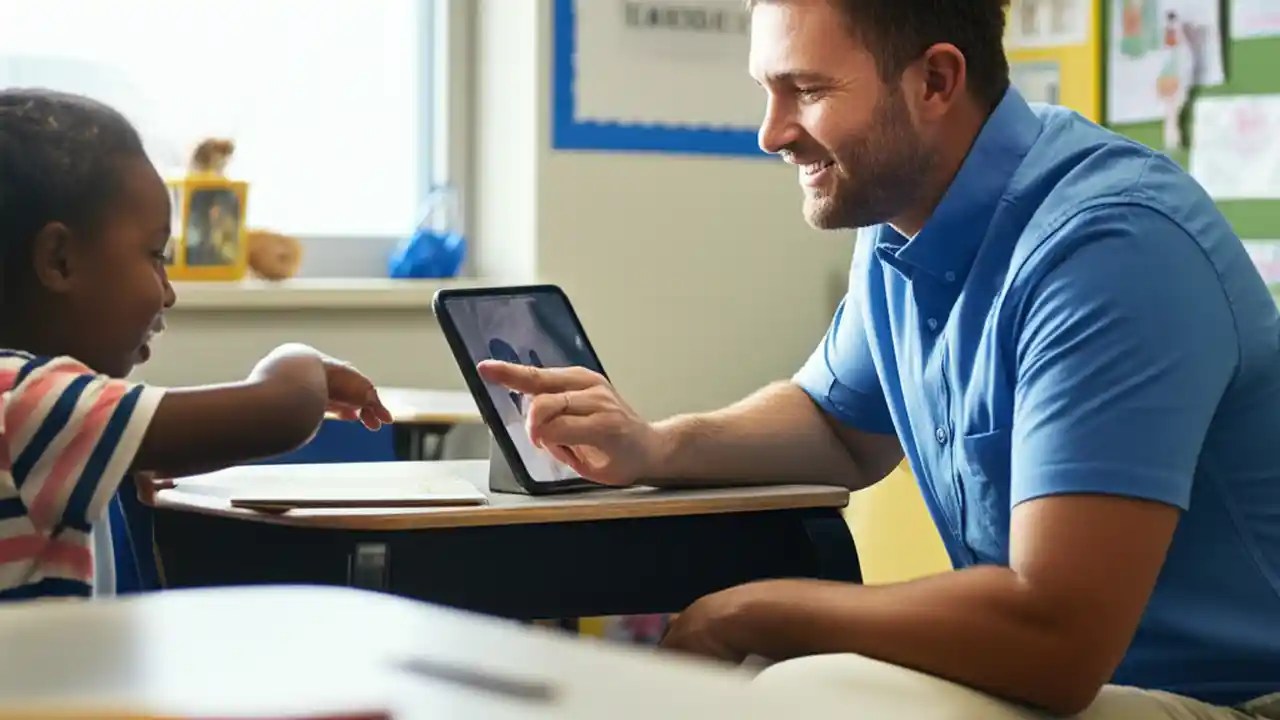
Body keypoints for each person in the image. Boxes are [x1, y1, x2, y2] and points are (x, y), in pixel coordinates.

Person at [476, 0, 1280, 717]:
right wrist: (657, 444)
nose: (771, 132)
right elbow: (840, 425)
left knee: (803, 695)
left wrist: (752, 612)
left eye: (808, 90)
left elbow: (1056, 636)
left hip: (1229, 699)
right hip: (1080, 679)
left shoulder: (1110, 248)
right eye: (767, 89)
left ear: (935, 80)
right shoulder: (902, 216)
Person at [0, 88, 392, 600]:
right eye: (154, 254)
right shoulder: (25, 399)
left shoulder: (44, 416)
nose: (167, 292)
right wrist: (297, 358)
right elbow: (284, 408)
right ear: (60, 261)